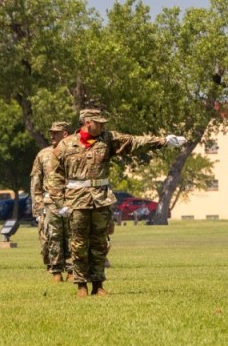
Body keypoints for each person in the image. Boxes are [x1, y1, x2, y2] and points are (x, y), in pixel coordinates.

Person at [53, 108, 184, 297]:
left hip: (101, 199)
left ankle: (98, 285)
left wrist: (163, 141)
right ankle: (81, 284)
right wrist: (59, 202)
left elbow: (135, 142)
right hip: (76, 201)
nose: (103, 126)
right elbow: (54, 175)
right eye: (99, 122)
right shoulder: (65, 145)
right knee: (79, 243)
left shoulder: (108, 139)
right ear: (87, 122)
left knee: (100, 243)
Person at [30, 120, 71, 282]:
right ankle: (55, 271)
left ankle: (71, 270)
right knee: (52, 237)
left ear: (65, 134)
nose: (52, 135)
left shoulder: (74, 152)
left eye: (56, 132)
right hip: (50, 202)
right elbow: (36, 183)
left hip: (71, 200)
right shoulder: (43, 154)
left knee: (72, 236)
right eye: (51, 132)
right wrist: (38, 208)